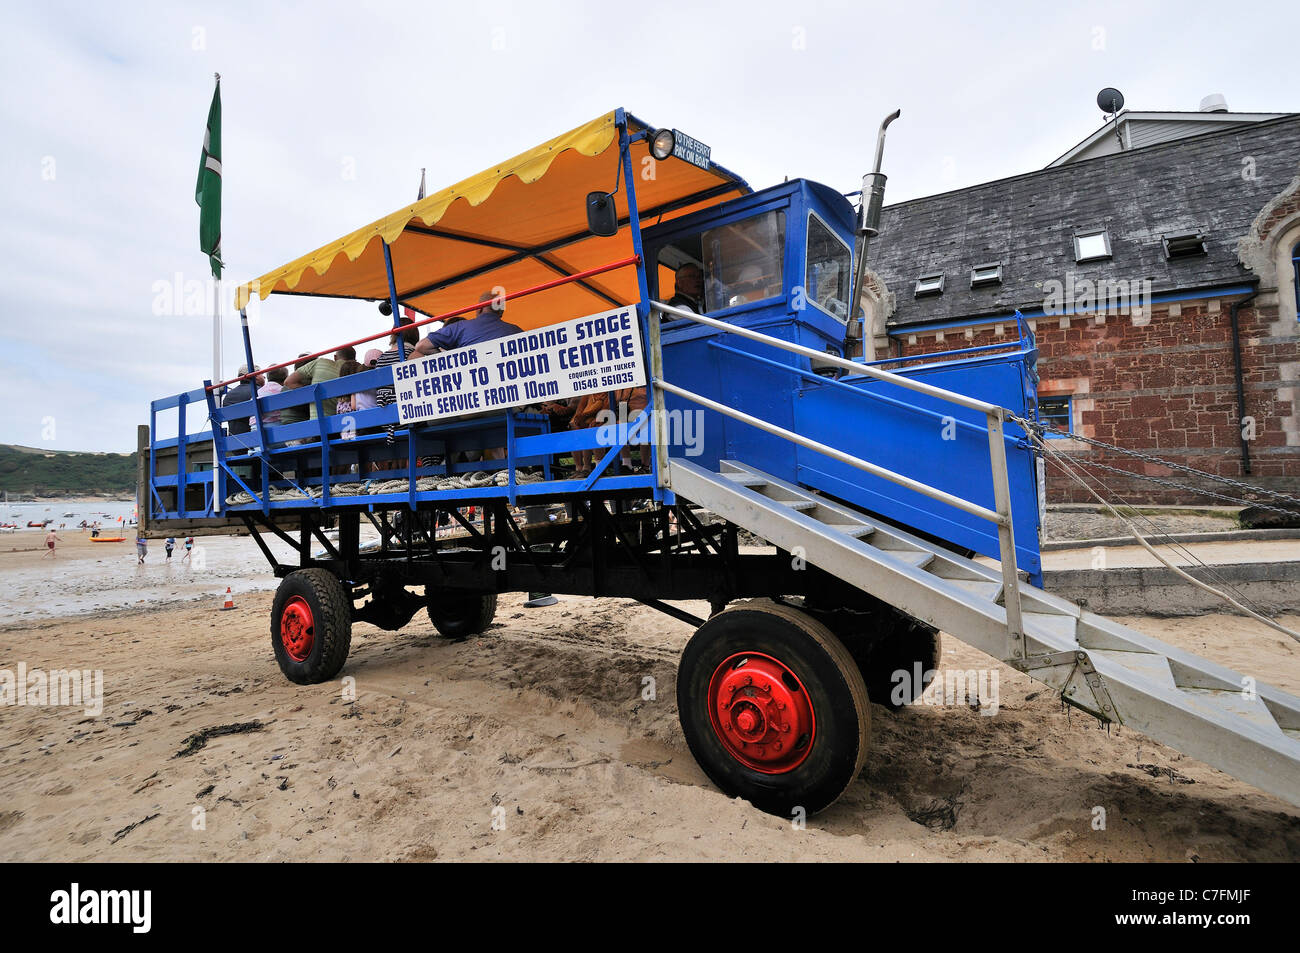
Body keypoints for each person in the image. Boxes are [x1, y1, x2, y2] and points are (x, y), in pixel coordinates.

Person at [409, 291, 522, 357]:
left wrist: (450, 361)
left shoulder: (459, 327)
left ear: (479, 309)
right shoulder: (516, 331)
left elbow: (421, 346)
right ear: (501, 312)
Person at [222, 366, 263, 436]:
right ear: (256, 375)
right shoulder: (260, 391)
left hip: (235, 440)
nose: (264, 377)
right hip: (256, 438)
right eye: (261, 374)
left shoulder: (228, 396)